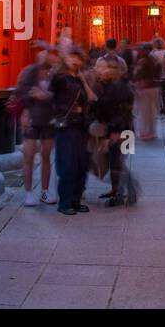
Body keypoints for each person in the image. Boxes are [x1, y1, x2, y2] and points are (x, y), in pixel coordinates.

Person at [49, 47, 96, 215]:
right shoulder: (59, 78)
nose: (74, 61)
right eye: (71, 57)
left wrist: (82, 79)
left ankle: (76, 200)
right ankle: (65, 203)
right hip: (66, 126)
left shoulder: (81, 79)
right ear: (65, 59)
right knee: (68, 164)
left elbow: (91, 98)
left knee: (82, 164)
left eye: (78, 58)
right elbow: (50, 98)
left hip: (82, 126)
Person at [13, 41, 59, 206]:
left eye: (49, 53)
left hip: (48, 118)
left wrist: (47, 96)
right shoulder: (29, 72)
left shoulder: (55, 74)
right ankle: (28, 192)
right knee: (29, 156)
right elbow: (22, 92)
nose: (45, 55)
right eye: (43, 52)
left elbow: (59, 95)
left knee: (46, 156)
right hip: (32, 117)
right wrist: (26, 107)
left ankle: (45, 191)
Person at [91, 55, 135, 201]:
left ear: (121, 70)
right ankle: (117, 189)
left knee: (117, 160)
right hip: (121, 129)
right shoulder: (107, 85)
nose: (108, 70)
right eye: (106, 67)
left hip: (124, 130)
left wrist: (115, 133)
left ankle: (125, 190)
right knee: (116, 160)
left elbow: (123, 112)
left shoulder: (122, 87)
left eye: (113, 67)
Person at [132, 42, 162, 140]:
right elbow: (159, 72)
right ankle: (152, 131)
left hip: (144, 88)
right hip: (154, 87)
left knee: (144, 112)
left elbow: (137, 74)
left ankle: (145, 132)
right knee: (152, 111)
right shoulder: (155, 60)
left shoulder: (143, 61)